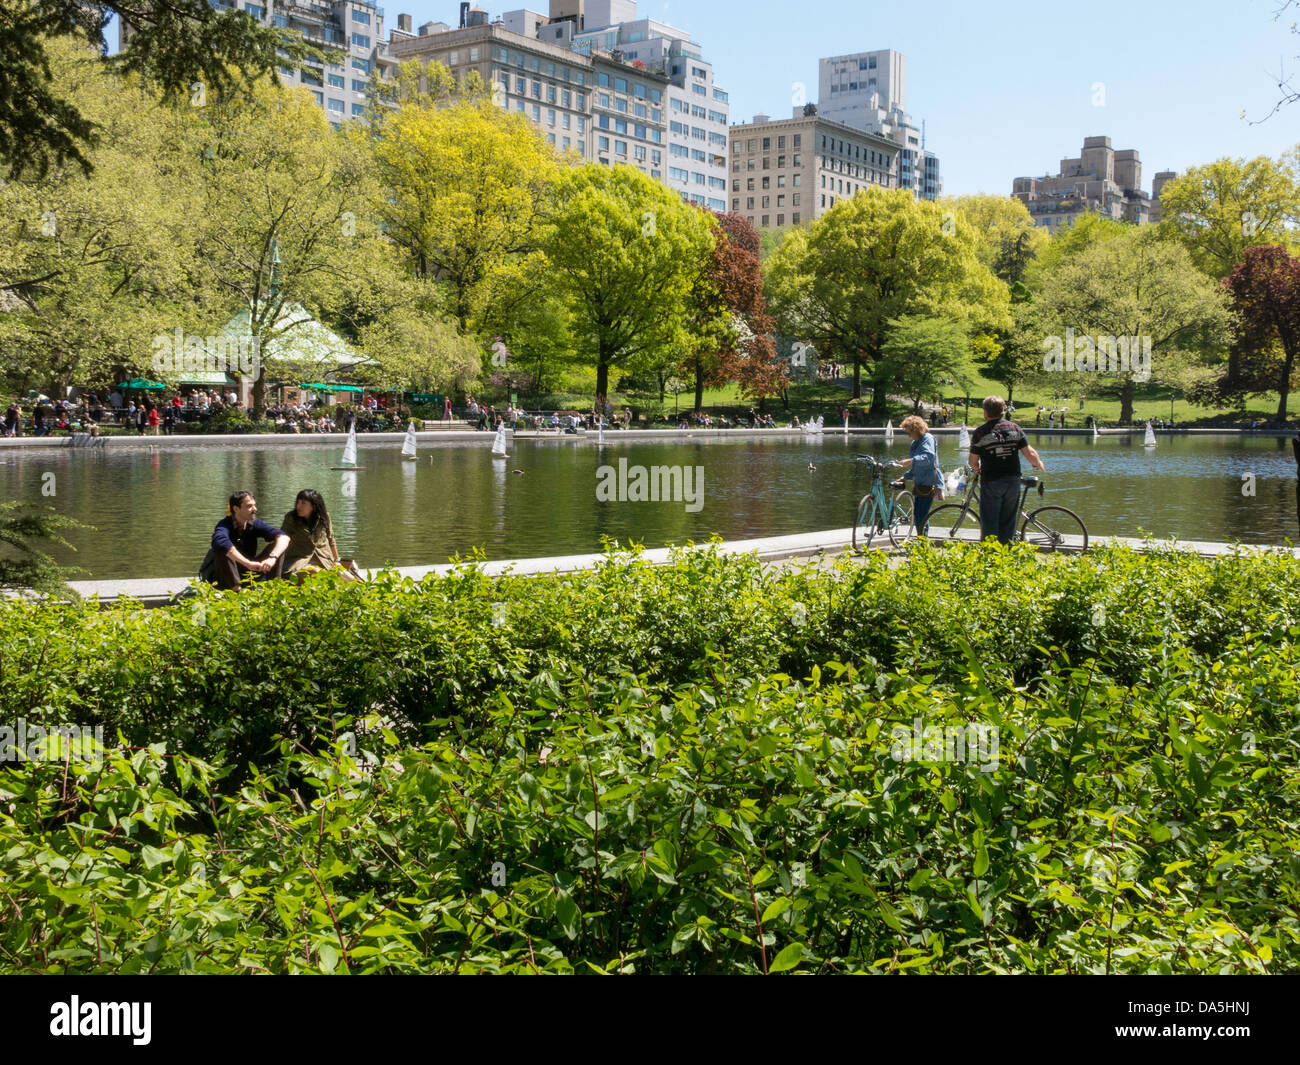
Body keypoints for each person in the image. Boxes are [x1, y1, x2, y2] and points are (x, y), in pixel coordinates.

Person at [968, 395, 1045, 544]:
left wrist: (976, 470)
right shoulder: (1014, 428)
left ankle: (990, 556)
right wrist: (1037, 464)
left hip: (991, 481)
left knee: (990, 522)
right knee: (1008, 521)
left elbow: (973, 461)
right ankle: (1006, 555)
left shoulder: (980, 432)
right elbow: (1029, 452)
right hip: (1012, 480)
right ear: (1003, 410)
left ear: (985, 412)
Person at [199, 492, 290, 590]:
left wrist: (272, 558)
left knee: (277, 546)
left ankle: (273, 588)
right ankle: (236, 590)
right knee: (222, 550)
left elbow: (284, 537)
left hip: (248, 572)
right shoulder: (224, 525)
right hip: (223, 576)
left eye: (254, 505)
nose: (255, 509)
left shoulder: (254, 523)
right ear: (236, 509)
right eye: (249, 506)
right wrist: (248, 563)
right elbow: (221, 542)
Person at [280, 489, 359, 581]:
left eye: (303, 503)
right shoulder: (291, 518)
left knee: (349, 574)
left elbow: (331, 540)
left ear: (313, 506)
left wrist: (337, 561)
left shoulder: (324, 517)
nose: (298, 506)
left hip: (324, 560)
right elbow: (281, 539)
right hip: (299, 561)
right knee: (314, 572)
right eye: (298, 502)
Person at [893, 415, 942, 534]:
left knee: (922, 514)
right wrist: (905, 477)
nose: (908, 436)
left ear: (916, 430)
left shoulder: (928, 438)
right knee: (918, 514)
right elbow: (916, 468)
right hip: (920, 482)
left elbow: (929, 458)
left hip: (929, 481)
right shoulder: (915, 443)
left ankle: (922, 541)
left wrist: (910, 460)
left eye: (909, 432)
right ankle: (922, 539)